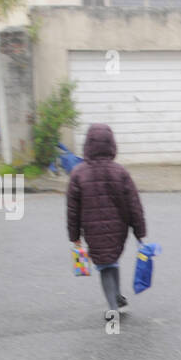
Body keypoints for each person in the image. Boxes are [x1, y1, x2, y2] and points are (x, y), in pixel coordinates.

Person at [66, 123, 148, 321]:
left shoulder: (78, 174)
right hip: (118, 229)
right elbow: (133, 205)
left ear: (88, 145)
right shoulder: (120, 172)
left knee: (105, 265)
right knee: (112, 261)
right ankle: (117, 300)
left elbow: (72, 210)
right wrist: (139, 232)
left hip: (92, 231)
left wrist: (75, 237)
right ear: (112, 145)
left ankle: (112, 307)